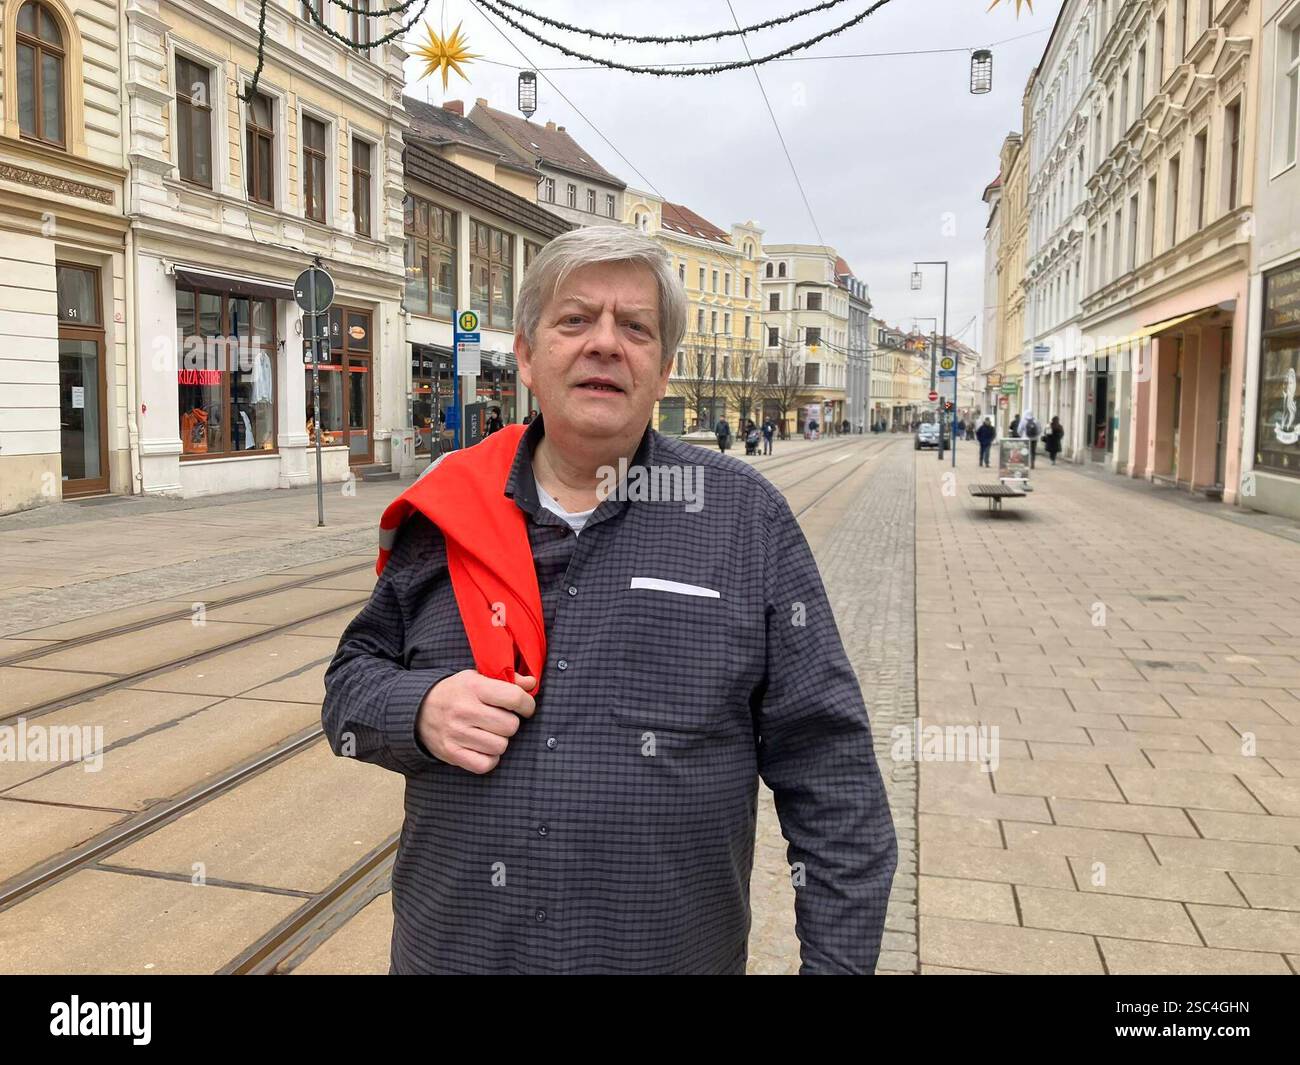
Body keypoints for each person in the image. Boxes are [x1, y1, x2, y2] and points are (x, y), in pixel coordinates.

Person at [322, 225, 896, 974]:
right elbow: (347, 690)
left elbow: (833, 778)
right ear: (526, 355)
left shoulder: (742, 519)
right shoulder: (445, 514)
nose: (604, 343)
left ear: (663, 371)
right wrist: (417, 710)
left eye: (635, 327)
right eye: (574, 319)